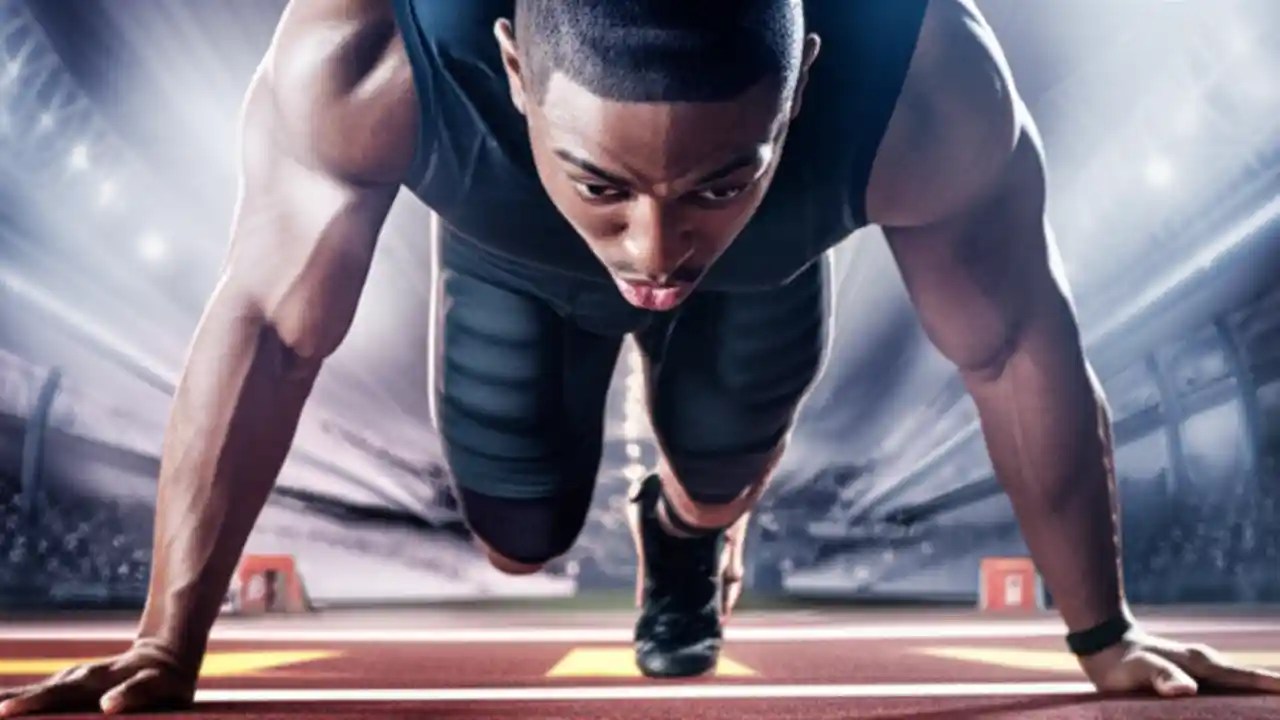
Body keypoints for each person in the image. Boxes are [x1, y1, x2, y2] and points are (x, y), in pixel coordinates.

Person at [3, 0, 1279, 715]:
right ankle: (616, 257)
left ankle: (687, 535)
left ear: (805, 84)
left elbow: (1010, 350)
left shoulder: (927, 79)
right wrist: (170, 639)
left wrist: (1101, 632)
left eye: (723, 175)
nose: (658, 249)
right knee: (517, 535)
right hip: (516, 267)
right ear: (509, 70)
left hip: (769, 275)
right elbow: (271, 331)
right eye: (603, 182)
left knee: (719, 475)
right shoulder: (369, 53)